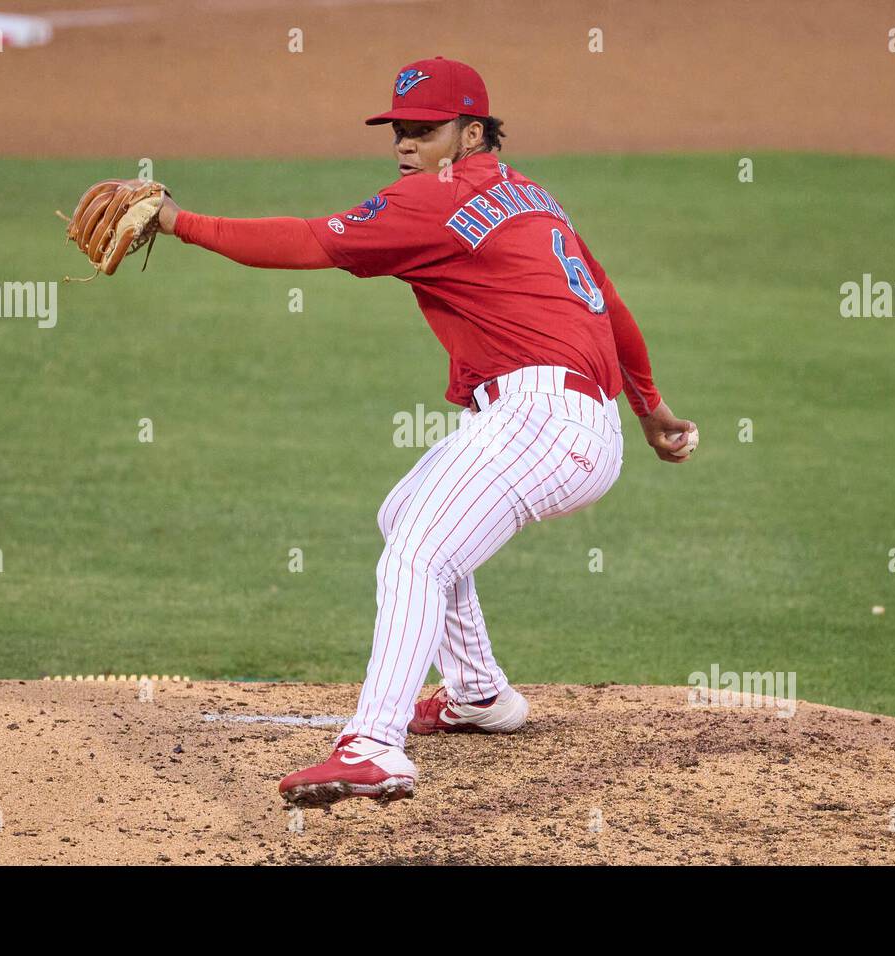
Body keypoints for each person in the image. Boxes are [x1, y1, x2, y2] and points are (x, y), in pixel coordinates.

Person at [154, 56, 696, 808]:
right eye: (400, 130)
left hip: (541, 421)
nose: (407, 144)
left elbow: (308, 242)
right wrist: (649, 408)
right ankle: (478, 694)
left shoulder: (433, 201)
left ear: (471, 132)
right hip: (574, 420)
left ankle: (375, 747)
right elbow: (608, 303)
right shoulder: (534, 197)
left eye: (425, 129)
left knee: (415, 556)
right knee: (406, 517)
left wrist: (179, 222)